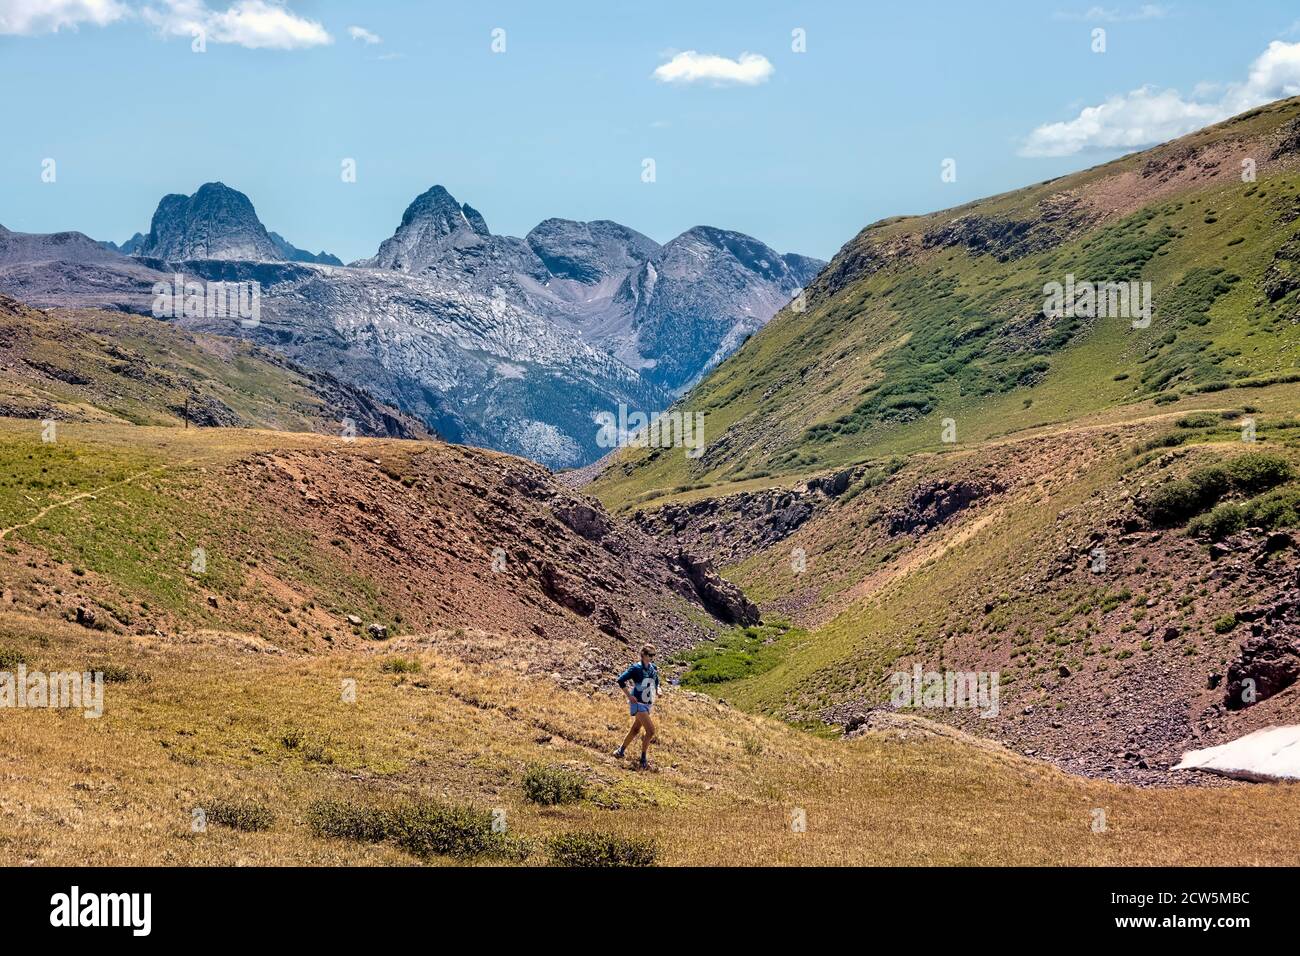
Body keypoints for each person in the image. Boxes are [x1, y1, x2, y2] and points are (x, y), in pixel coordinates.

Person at [614, 644, 659, 769]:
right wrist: (629, 696)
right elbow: (620, 680)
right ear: (643, 655)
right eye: (650, 655)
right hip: (638, 703)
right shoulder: (635, 668)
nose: (652, 658)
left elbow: (656, 681)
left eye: (653, 655)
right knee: (650, 731)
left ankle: (620, 751)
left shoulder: (653, 668)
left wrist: (658, 689)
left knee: (635, 729)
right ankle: (643, 758)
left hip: (648, 703)